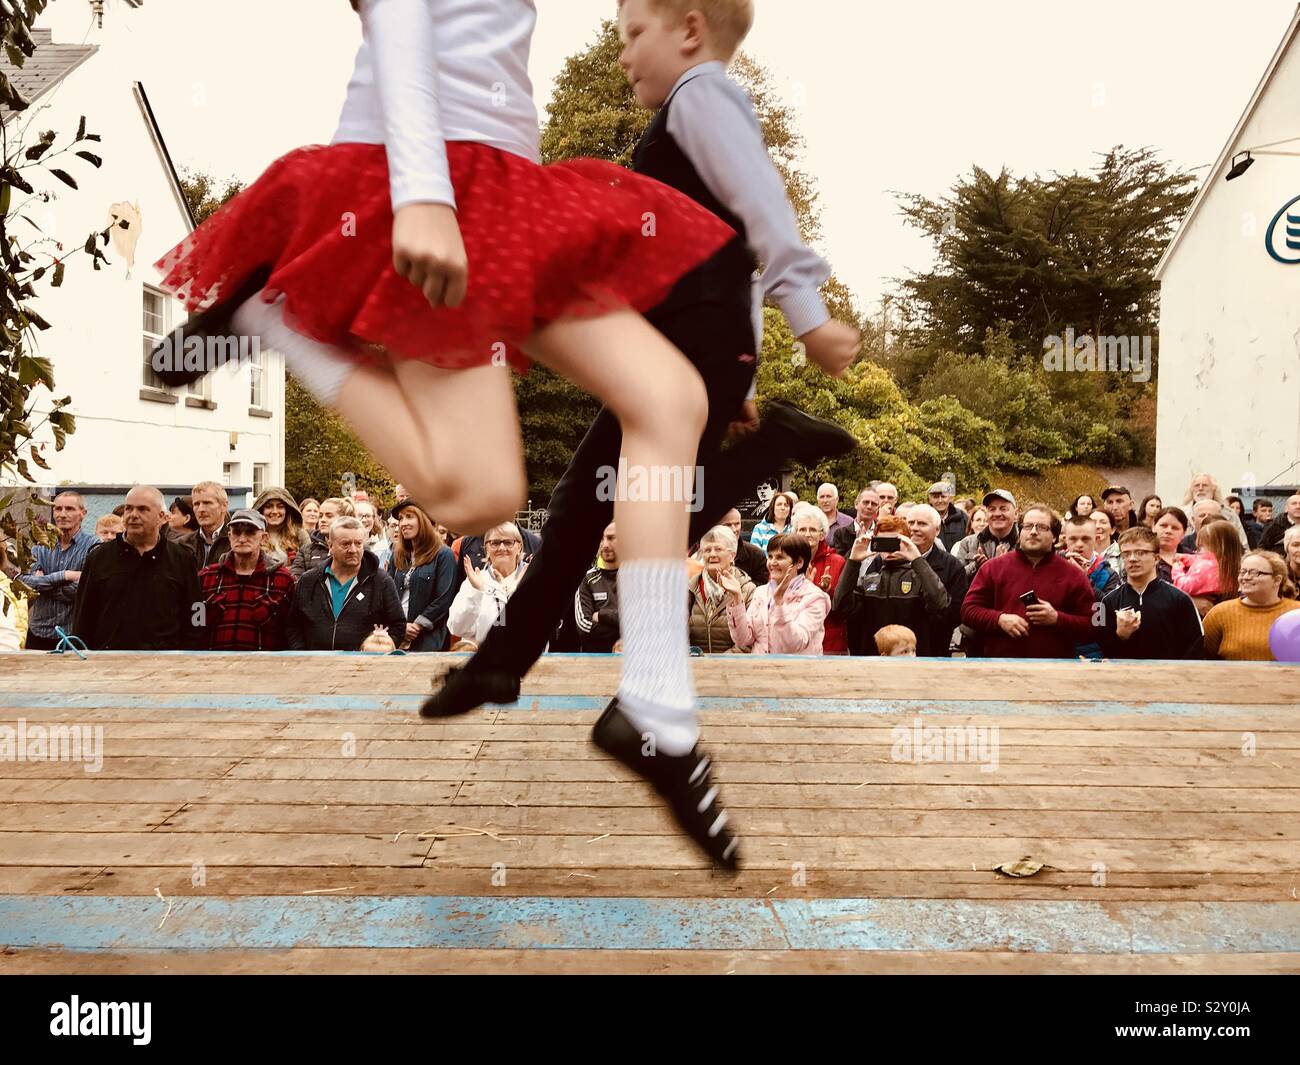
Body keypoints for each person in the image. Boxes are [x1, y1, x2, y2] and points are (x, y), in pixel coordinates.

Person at [71, 486, 203, 650]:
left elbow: (197, 613)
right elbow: (83, 615)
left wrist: (192, 654)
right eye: (129, 509)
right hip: (108, 664)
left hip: (166, 664)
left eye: (142, 509)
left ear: (161, 517)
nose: (133, 515)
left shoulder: (183, 559)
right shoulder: (98, 558)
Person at [960, 504, 1096, 658]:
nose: (1033, 531)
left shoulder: (1074, 575)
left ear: (1055, 537)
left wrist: (1057, 619)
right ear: (1020, 532)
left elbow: (1094, 624)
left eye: (1042, 527)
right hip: (1000, 669)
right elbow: (968, 610)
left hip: (1056, 671)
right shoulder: (992, 568)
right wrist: (1000, 619)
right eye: (1027, 526)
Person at [833, 515, 951, 656]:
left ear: (907, 542)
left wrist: (916, 559)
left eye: (894, 542)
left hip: (912, 660)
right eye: (883, 542)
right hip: (872, 661)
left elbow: (940, 603)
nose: (889, 549)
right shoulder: (868, 581)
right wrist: (853, 561)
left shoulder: (920, 579)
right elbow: (840, 606)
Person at [287, 517, 405, 651]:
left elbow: (398, 626)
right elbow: (293, 625)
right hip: (314, 665)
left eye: (358, 543)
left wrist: (377, 654)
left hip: (362, 667)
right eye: (346, 544)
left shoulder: (381, 581)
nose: (353, 550)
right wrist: (302, 655)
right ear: (330, 545)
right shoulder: (309, 581)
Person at [198, 508, 296, 651]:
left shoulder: (283, 580)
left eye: (250, 532)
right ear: (230, 536)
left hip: (265, 667)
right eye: (237, 532)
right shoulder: (206, 577)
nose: (242, 539)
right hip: (214, 665)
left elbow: (292, 630)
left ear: (264, 538)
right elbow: (195, 624)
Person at [1099, 527, 1204, 660]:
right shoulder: (1108, 602)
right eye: (1126, 554)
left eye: (1140, 552)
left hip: (1168, 677)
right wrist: (1120, 635)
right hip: (1124, 677)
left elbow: (1195, 646)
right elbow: (1102, 650)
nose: (1132, 559)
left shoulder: (1180, 599)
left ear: (1156, 558)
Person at [723, 531, 828, 654]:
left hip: (797, 671)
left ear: (799, 562)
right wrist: (736, 598)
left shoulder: (815, 597)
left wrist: (779, 605)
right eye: (770, 556)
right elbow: (743, 640)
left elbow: (795, 644)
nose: (772, 563)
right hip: (761, 670)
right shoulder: (761, 592)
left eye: (779, 557)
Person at [19, 490, 98, 650]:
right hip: (38, 633)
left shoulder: (94, 546)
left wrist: (43, 583)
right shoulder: (39, 547)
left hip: (74, 635)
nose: (62, 514)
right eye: (58, 509)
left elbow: (87, 588)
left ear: (83, 513)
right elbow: (25, 582)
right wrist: (66, 575)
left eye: (69, 509)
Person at [385, 500, 457, 652]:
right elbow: (388, 595)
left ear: (425, 519)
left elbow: (444, 598)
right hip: (396, 636)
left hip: (428, 639)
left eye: (409, 516)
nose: (403, 523)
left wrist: (418, 625)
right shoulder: (397, 555)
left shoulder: (443, 555)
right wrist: (400, 625)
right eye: (401, 518)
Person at [1203, 551, 1300, 661]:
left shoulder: (1296, 613)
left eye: (1254, 573)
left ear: (1277, 580)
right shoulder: (1219, 613)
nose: (1245, 577)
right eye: (1242, 572)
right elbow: (1203, 656)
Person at [447, 520, 527, 651]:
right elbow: (457, 627)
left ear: (519, 547)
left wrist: (521, 591)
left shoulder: (530, 578)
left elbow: (543, 627)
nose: (502, 548)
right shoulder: (474, 581)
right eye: (495, 543)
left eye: (508, 542)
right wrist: (476, 591)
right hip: (481, 660)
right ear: (486, 549)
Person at [687, 526, 754, 653]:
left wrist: (719, 662)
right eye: (707, 550)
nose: (712, 554)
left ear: (732, 555)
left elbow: (748, 643)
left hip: (733, 666)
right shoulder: (690, 587)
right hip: (696, 664)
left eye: (718, 549)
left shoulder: (747, 589)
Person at [792, 502, 847, 653]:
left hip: (829, 642)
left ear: (822, 534)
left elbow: (842, 607)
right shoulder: (785, 561)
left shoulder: (837, 561)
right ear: (795, 532)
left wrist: (826, 592)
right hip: (794, 641)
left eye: (813, 530)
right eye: (802, 529)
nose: (807, 534)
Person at [1172, 519, 1242, 617]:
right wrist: (1184, 557)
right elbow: (1199, 558)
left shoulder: (1207, 567)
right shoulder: (1227, 563)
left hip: (1201, 615)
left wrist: (1177, 569)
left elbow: (1183, 586)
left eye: (1201, 547)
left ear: (1216, 546)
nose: (1199, 551)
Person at [575, 523, 622, 653]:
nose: (605, 544)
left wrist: (602, 615)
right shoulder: (586, 579)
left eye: (611, 538)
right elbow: (584, 627)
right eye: (601, 539)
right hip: (595, 663)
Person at [953, 489, 1019, 578]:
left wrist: (1006, 566)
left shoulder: (1024, 545)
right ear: (987, 513)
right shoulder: (968, 543)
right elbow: (956, 579)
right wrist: (976, 566)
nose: (997, 513)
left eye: (1003, 509)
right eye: (992, 509)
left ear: (1015, 514)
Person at [291, 496, 355, 579]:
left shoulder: (357, 549)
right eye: (321, 516)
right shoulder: (306, 551)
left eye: (329, 516)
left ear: (344, 518)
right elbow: (296, 581)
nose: (323, 520)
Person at [1181, 472, 1248, 547]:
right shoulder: (1182, 513)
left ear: (1214, 489)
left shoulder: (1229, 514)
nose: (1200, 488)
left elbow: (1242, 543)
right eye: (1197, 485)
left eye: (1205, 485)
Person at [254, 487, 311, 568]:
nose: (274, 511)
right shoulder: (252, 535)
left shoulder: (299, 535)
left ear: (287, 510)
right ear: (261, 510)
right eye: (269, 506)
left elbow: (309, 565)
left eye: (280, 506)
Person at [719, 507, 769, 586]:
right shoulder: (708, 552)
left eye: (737, 524)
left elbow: (762, 585)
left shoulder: (756, 555)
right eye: (728, 525)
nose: (734, 529)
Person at [831, 487, 881, 558]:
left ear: (877, 509)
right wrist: (857, 545)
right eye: (865, 502)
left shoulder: (882, 532)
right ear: (856, 504)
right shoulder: (841, 534)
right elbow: (840, 564)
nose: (869, 506)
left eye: (874, 504)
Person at [1152, 506, 1194, 581]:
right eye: (1163, 526)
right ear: (1153, 527)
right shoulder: (1142, 558)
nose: (1168, 531)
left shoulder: (1194, 560)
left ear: (1184, 533)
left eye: (1175, 528)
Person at [928, 482, 969, 549]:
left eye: (943, 496)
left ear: (950, 498)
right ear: (930, 500)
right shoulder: (924, 519)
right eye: (936, 497)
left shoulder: (962, 517)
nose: (940, 500)